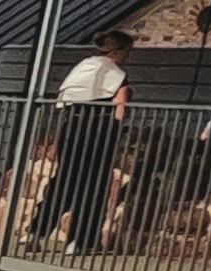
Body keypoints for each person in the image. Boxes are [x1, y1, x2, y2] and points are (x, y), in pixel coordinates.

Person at [30, 22, 136, 255]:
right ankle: (80, 241)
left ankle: (37, 232)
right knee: (93, 185)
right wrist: (116, 132)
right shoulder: (118, 75)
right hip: (99, 128)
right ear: (119, 50)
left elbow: (63, 100)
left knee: (64, 179)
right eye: (128, 50)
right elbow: (121, 105)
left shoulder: (82, 67)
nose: (129, 55)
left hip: (72, 126)